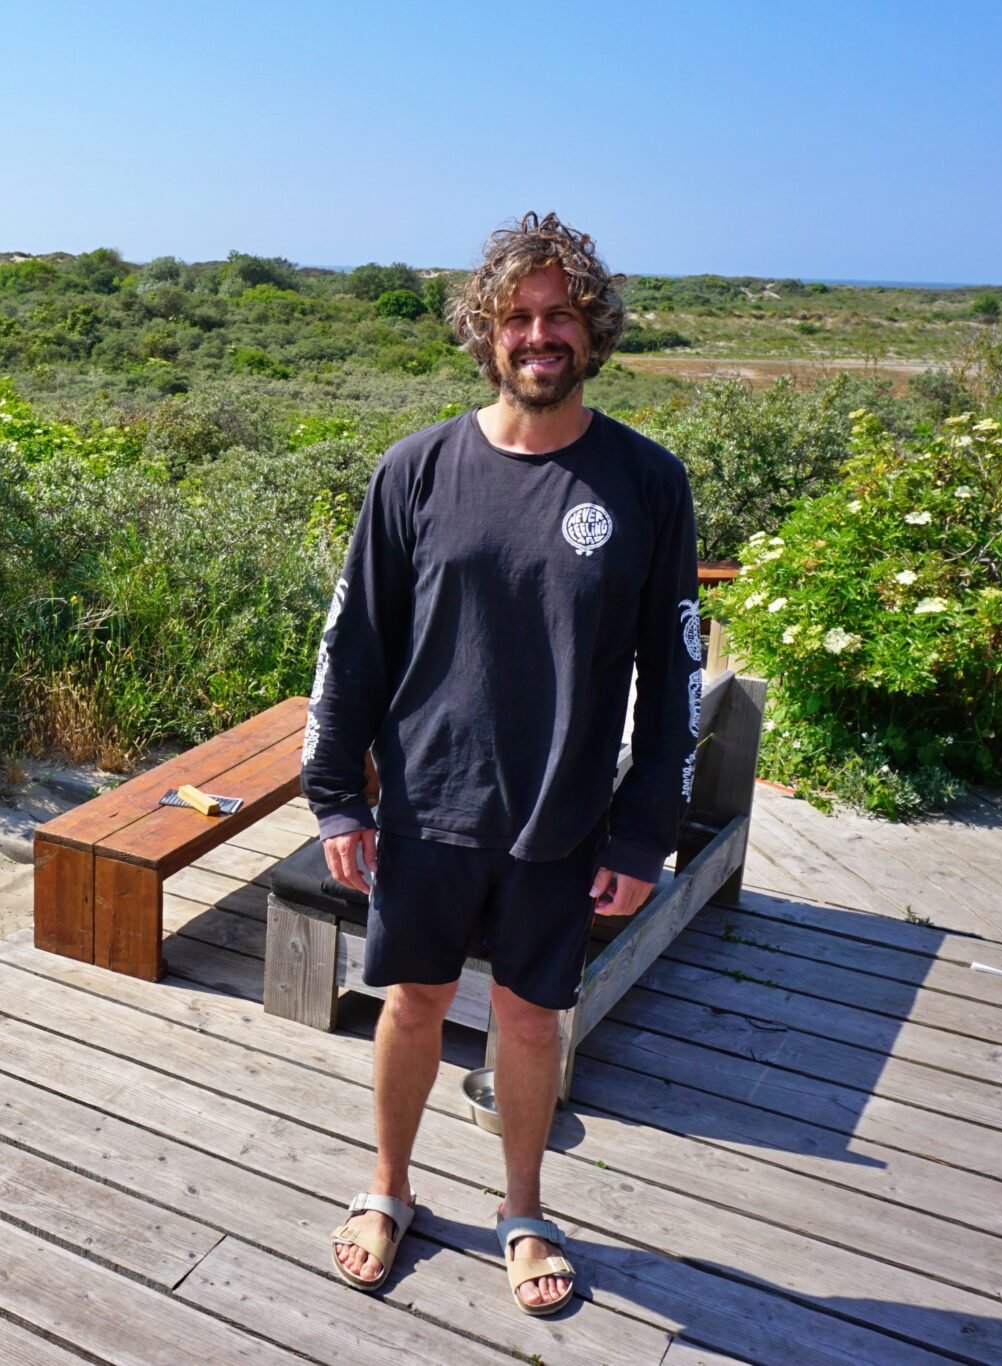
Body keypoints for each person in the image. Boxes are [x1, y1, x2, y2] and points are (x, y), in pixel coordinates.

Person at [301, 212, 700, 1316]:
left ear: (593, 330)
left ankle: (522, 1209)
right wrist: (336, 795)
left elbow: (673, 675)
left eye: (558, 315)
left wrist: (640, 830)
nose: (538, 335)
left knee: (528, 1019)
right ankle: (386, 1188)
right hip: (425, 805)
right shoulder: (415, 469)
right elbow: (354, 643)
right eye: (515, 317)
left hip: (563, 816)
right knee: (414, 1001)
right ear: (483, 333)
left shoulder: (644, 483)